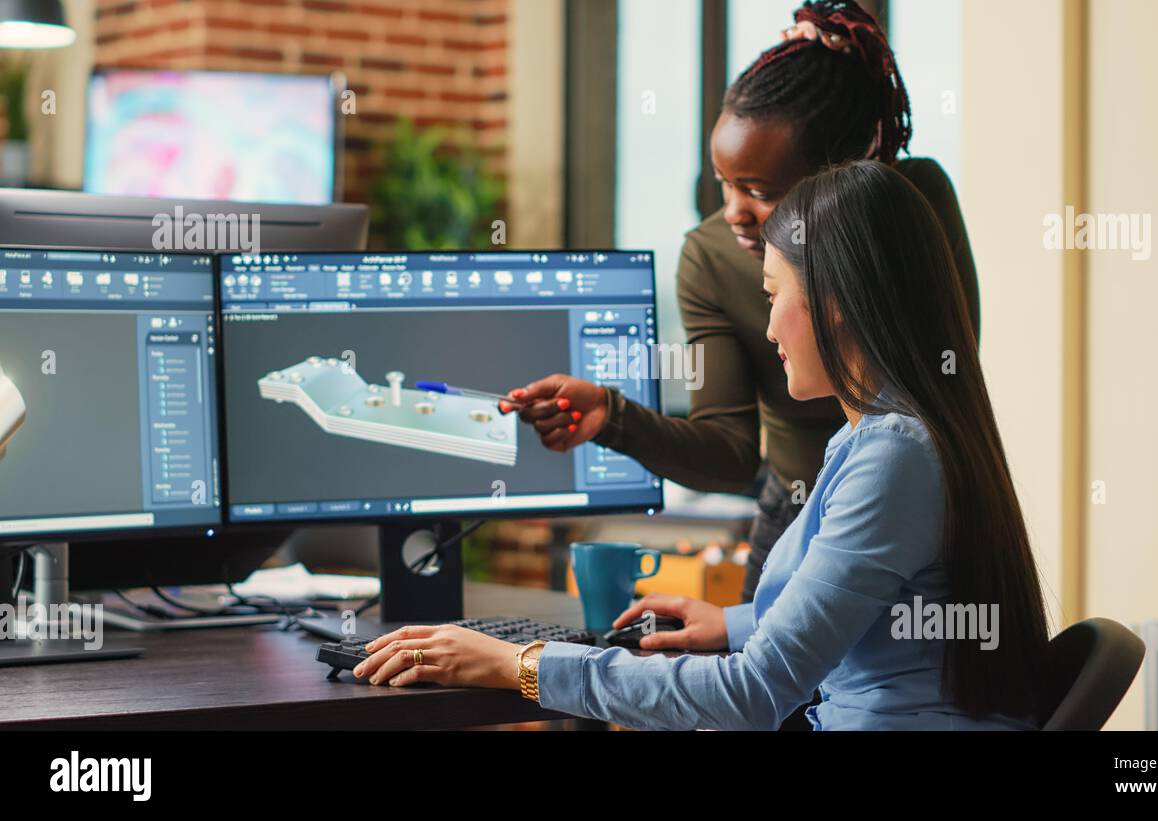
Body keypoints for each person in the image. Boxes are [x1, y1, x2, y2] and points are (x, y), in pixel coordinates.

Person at [351, 159, 1052, 731]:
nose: (769, 328)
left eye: (773, 293)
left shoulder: (893, 452)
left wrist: (520, 664)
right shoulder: (889, 432)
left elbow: (753, 693)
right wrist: (733, 621)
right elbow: (867, 614)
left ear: (836, 301)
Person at [502, 0, 980, 610]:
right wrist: (614, 417)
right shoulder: (712, 258)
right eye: (726, 182)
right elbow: (731, 457)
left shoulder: (917, 210)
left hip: (920, 506)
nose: (734, 211)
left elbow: (948, 384)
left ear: (845, 176)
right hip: (796, 510)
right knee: (755, 696)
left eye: (760, 191)